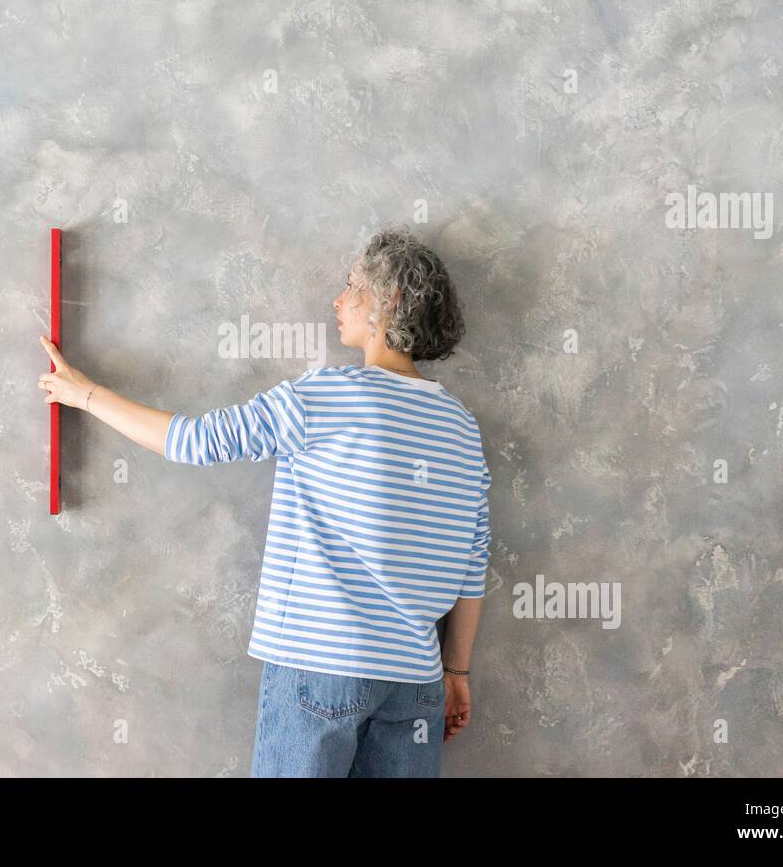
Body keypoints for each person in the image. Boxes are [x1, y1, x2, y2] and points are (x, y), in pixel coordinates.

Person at [37, 227, 491, 777]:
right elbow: (472, 566)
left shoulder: (323, 396)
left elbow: (196, 440)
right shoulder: (462, 429)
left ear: (389, 301)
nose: (338, 300)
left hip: (321, 668)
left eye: (351, 287)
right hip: (415, 686)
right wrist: (456, 674)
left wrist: (84, 394)